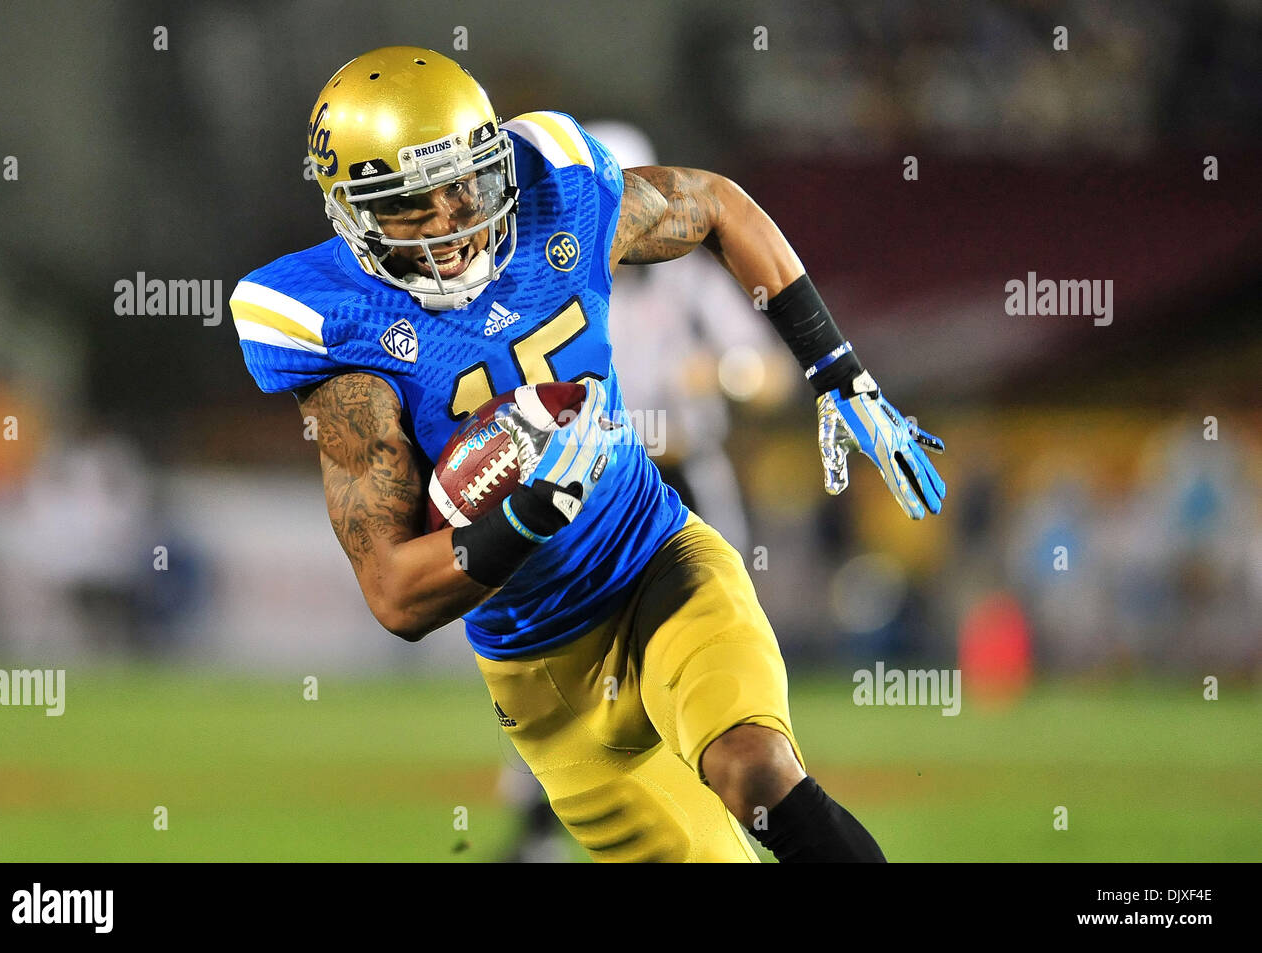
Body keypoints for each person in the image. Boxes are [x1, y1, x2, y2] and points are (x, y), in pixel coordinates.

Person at [230, 46, 945, 862]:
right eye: (410, 203)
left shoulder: (559, 203)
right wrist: (527, 516)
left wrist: (837, 369)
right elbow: (394, 595)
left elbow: (718, 203)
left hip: (658, 561)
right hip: (547, 678)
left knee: (756, 767)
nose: (450, 219)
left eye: (464, 181)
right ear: (352, 211)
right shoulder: (342, 336)